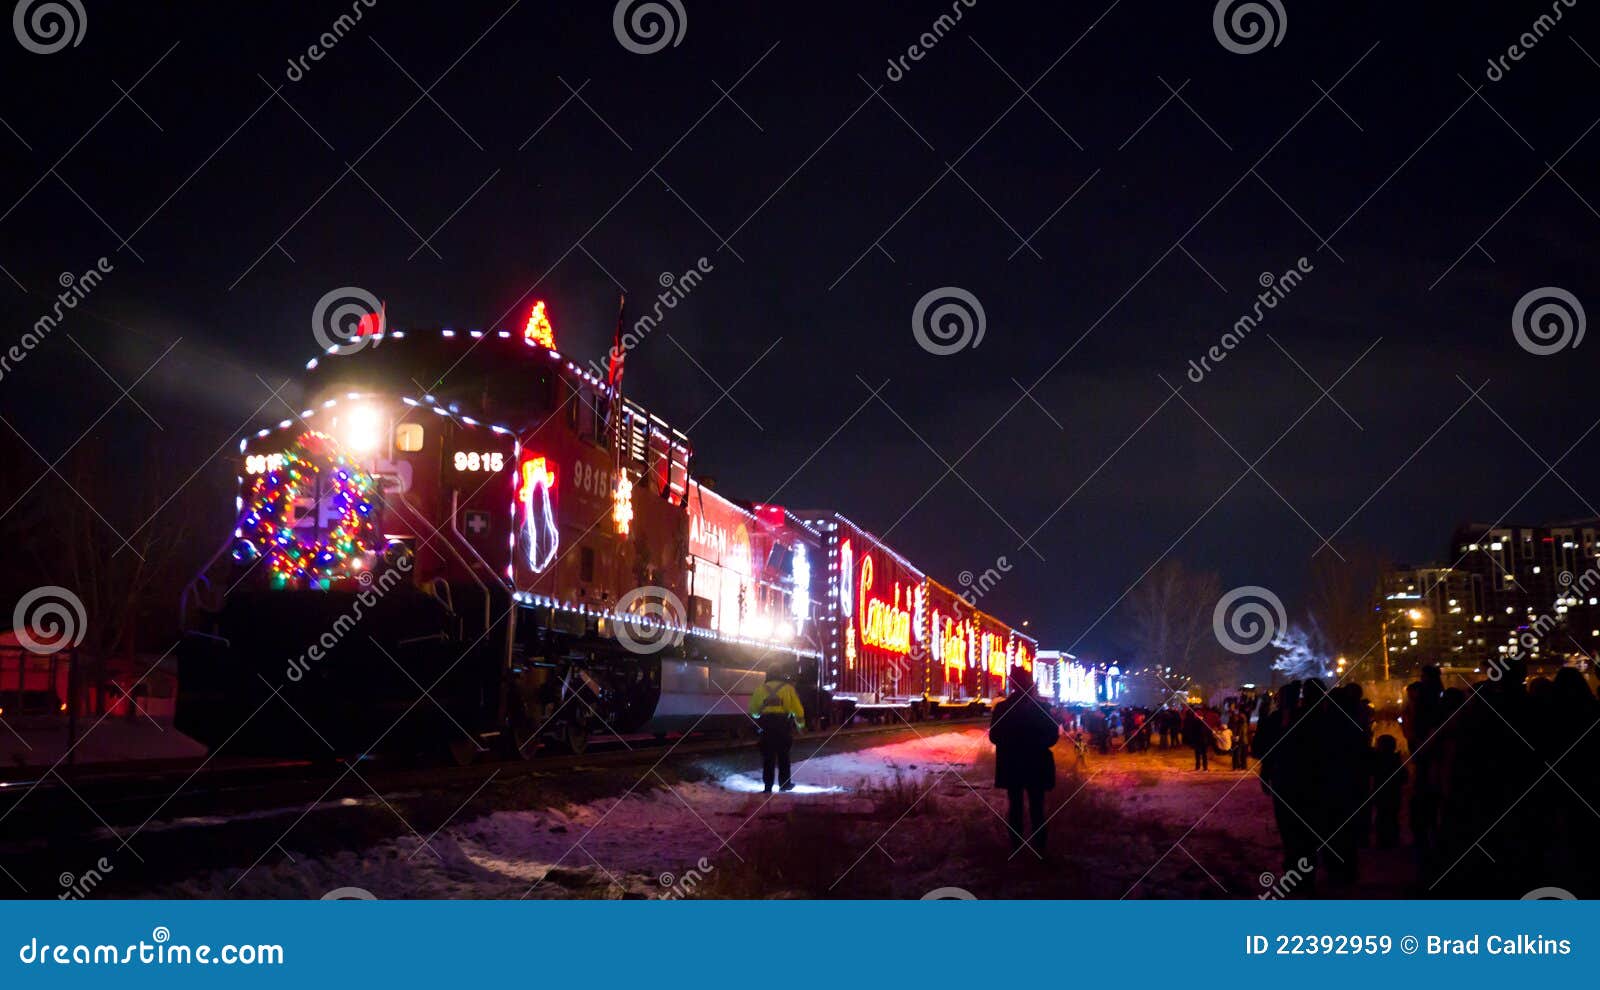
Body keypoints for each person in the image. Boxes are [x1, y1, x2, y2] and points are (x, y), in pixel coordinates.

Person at [989, 666, 1061, 858]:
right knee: (1037, 806)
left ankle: (1016, 847)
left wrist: (1012, 745)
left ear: (1012, 684)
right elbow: (1053, 737)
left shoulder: (1003, 708)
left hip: (1012, 765)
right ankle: (1040, 848)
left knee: (1015, 806)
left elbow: (994, 737)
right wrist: (1036, 745)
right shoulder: (1043, 709)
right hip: (1037, 765)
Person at [747, 664, 805, 794]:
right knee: (784, 756)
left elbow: (753, 711)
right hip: (783, 725)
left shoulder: (760, 689)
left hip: (766, 726)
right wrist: (801, 726)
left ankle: (767, 787)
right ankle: (784, 785)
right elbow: (798, 710)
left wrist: (761, 715)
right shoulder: (788, 689)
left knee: (768, 757)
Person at [1369, 735, 1404, 848]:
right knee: (1391, 817)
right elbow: (1404, 777)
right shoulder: (1395, 760)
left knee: (1383, 817)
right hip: (1393, 794)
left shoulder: (1378, 760)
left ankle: (1383, 841)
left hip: (1383, 794)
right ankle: (1391, 840)